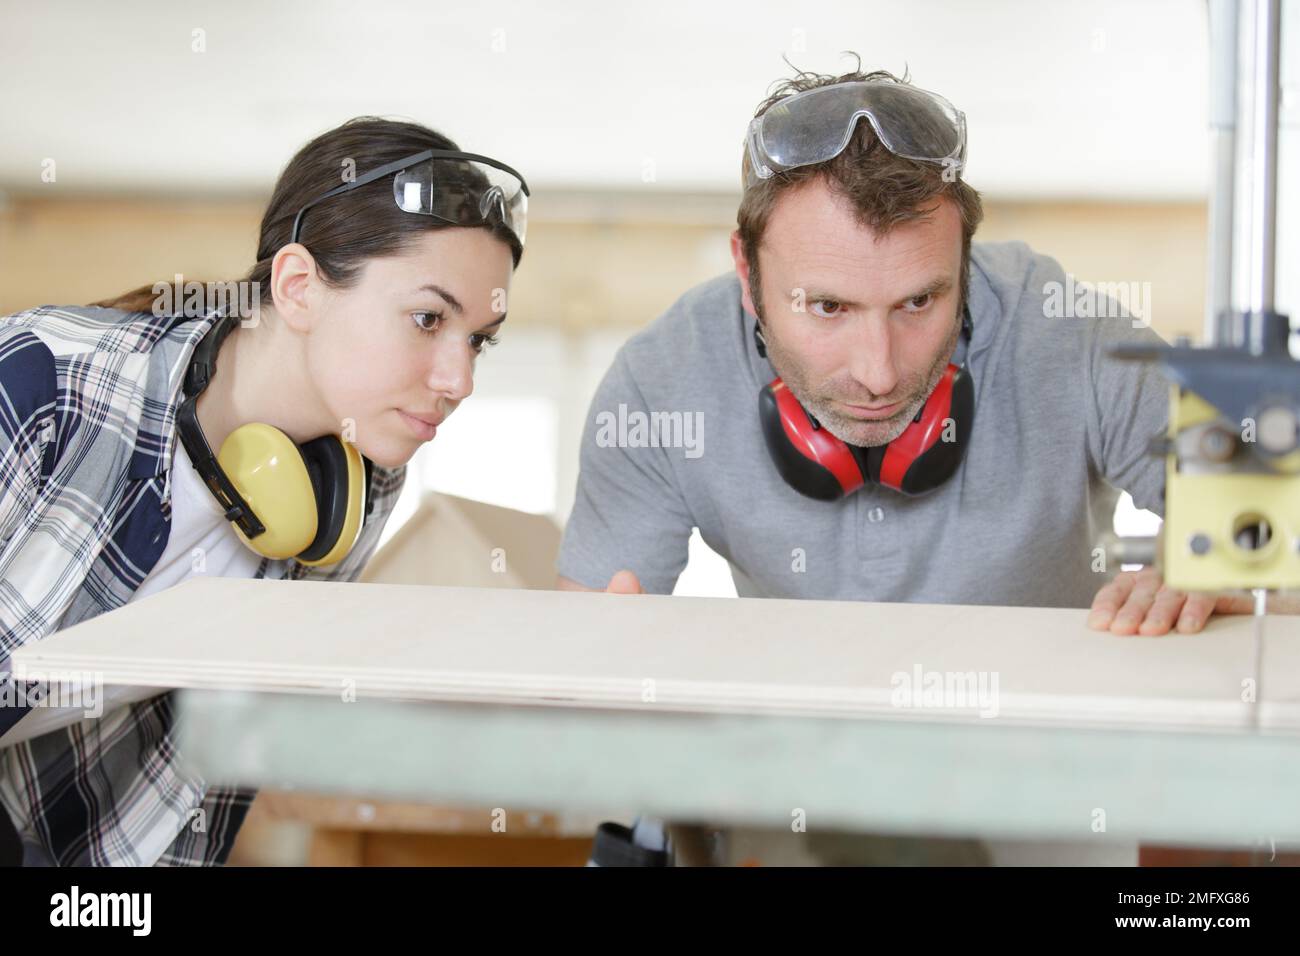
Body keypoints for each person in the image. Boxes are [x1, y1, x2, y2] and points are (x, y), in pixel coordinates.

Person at [556, 64, 1285, 865]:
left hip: (1052, 800)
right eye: (827, 307)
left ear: (966, 265)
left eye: (919, 302)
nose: (878, 370)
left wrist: (1224, 563)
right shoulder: (664, 380)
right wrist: (614, 670)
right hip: (803, 797)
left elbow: (1277, 503)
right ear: (746, 270)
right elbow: (583, 661)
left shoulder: (1061, 327)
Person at [0, 116, 528, 865]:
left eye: (477, 338)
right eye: (427, 318)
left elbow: (197, 783)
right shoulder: (42, 380)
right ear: (298, 287)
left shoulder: (361, 481)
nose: (460, 380)